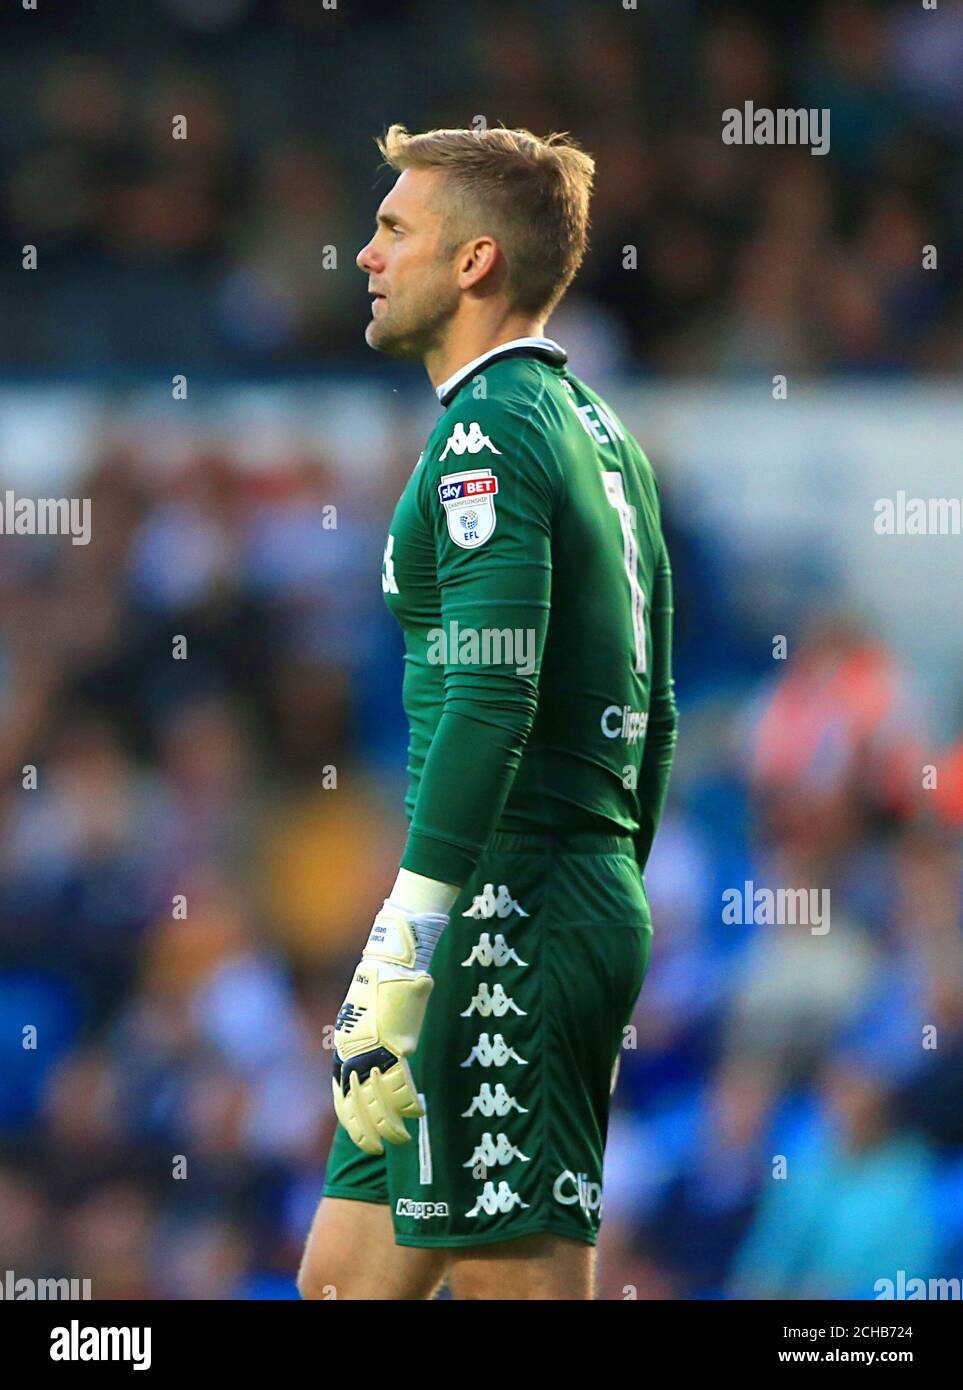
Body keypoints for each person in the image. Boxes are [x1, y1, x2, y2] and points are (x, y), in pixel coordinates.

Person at [298, 124, 678, 1301]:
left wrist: (407, 945)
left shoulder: (489, 426)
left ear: (473, 262)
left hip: (511, 908)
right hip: (543, 895)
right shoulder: (604, 434)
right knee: (342, 1285)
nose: (365, 254)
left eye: (394, 228)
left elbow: (491, 690)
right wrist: (605, 888)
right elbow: (655, 714)